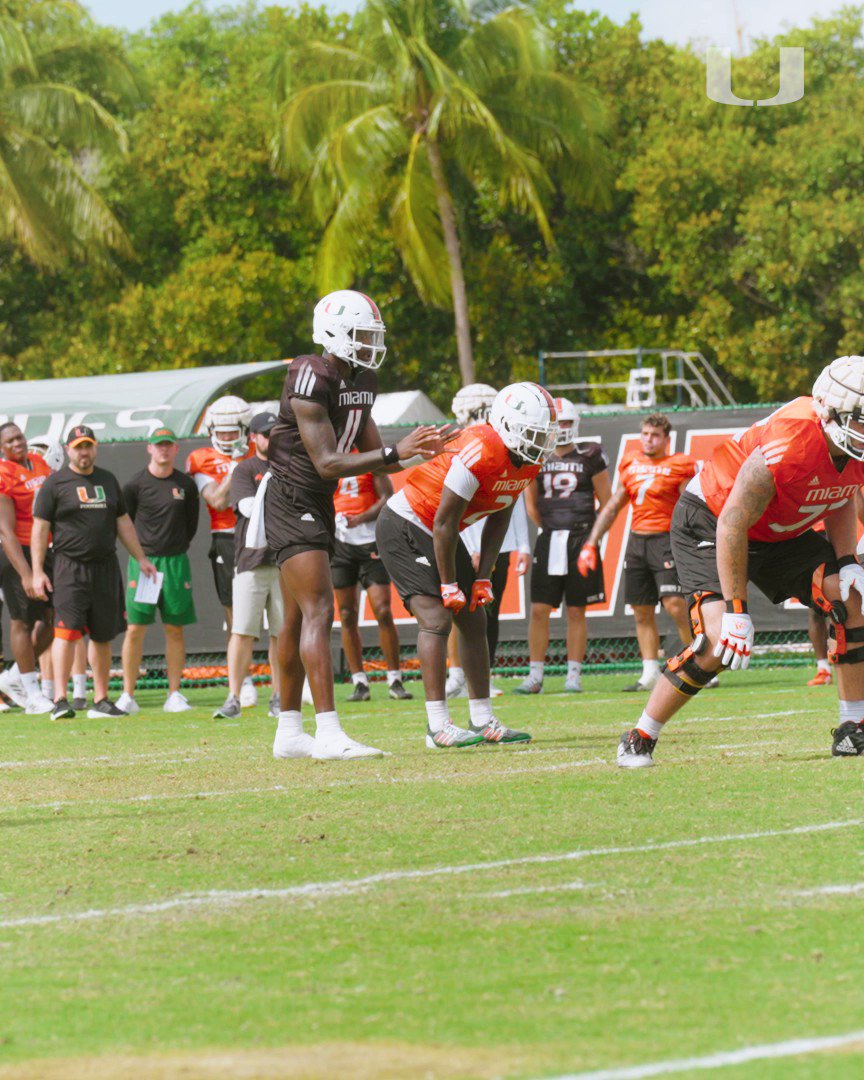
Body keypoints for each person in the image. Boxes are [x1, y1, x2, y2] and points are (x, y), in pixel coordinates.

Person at [618, 356, 864, 767]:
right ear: (832, 411)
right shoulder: (790, 441)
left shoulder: (848, 444)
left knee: (851, 598)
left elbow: (840, 493)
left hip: (777, 528)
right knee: (718, 642)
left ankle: (852, 729)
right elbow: (732, 522)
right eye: (861, 417)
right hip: (712, 519)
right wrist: (736, 610)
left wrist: (847, 559)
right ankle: (641, 734)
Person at [261, 289, 450, 761]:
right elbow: (327, 462)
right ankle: (327, 731)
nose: (368, 343)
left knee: (295, 618)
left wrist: (415, 454)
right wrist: (394, 453)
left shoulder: (364, 377)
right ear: (332, 332)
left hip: (317, 501)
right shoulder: (309, 372)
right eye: (360, 334)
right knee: (320, 608)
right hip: (291, 495)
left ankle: (288, 732)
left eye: (372, 335)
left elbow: (375, 457)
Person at [376, 382, 559, 749]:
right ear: (507, 424)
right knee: (437, 618)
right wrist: (448, 583)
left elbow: (500, 516)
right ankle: (437, 726)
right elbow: (444, 521)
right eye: (532, 432)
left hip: (439, 530)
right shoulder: (480, 448)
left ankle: (482, 719)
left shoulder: (525, 461)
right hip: (406, 523)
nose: (539, 441)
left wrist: (482, 576)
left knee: (476, 616)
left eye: (543, 434)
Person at [30, 425, 158, 721]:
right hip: (68, 566)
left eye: (88, 446)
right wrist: (37, 571)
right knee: (66, 632)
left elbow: (123, 522)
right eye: (78, 447)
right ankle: (61, 699)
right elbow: (40, 529)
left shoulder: (108, 480)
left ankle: (100, 698)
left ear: (95, 447)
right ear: (68, 450)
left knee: (102, 635)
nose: (83, 452)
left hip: (105, 567)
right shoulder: (55, 483)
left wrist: (141, 558)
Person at [578, 412, 697, 692]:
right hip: (637, 542)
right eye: (645, 434)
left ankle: (698, 661)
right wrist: (591, 541)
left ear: (666, 439)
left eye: (655, 435)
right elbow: (615, 504)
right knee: (641, 610)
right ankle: (650, 671)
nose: (648, 439)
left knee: (675, 605)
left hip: (666, 540)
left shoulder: (680, 464)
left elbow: (689, 506)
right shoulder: (630, 461)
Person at [518, 398, 612, 695]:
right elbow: (531, 504)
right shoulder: (535, 456)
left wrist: (592, 540)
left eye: (567, 422)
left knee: (576, 610)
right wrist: (548, 528)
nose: (562, 429)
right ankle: (535, 675)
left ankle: (573, 675)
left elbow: (607, 503)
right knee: (539, 610)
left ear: (576, 424)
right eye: (557, 423)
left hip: (580, 539)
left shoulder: (590, 454)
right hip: (550, 538)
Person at [445, 385, 531, 699]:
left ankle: (482, 675)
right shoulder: (465, 444)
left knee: (486, 613)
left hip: (499, 541)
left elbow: (514, 496)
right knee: (457, 609)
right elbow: (453, 506)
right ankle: (457, 674)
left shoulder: (510, 444)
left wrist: (523, 544)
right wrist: (470, 543)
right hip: (467, 540)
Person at [117, 427, 200, 715]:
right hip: (145, 565)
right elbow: (125, 525)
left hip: (176, 563)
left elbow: (191, 525)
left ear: (176, 449)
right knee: (135, 629)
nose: (163, 450)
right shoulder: (135, 485)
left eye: (168, 445)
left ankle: (174, 693)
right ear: (149, 449)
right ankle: (128, 695)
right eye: (158, 445)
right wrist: (141, 557)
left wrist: (174, 549)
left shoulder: (186, 485)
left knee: (175, 629)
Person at [186, 395, 258, 706]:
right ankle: (242, 679)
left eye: (233, 432)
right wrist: (237, 469)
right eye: (223, 431)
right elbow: (216, 500)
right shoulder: (201, 457)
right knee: (235, 615)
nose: (227, 438)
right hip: (227, 538)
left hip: (262, 535)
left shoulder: (262, 448)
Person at [214, 411, 283, 720]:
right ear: (253, 437)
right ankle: (234, 698)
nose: (273, 438)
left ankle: (280, 696)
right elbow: (247, 506)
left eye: (276, 432)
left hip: (284, 559)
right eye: (267, 433)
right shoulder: (245, 469)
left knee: (282, 634)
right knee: (242, 631)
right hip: (252, 559)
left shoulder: (292, 466)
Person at [332, 456, 412, 702]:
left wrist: (362, 517)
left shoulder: (366, 454)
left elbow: (387, 495)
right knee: (346, 614)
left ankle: (395, 678)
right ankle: (359, 681)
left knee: (383, 610)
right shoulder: (326, 453)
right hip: (340, 542)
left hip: (369, 541)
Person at [27, 437, 89, 708]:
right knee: (47, 623)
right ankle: (47, 688)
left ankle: (78, 689)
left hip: (64, 555)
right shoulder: (27, 480)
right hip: (38, 553)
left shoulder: (62, 482)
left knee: (70, 625)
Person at [0, 422, 55, 713]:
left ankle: (13, 677)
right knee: (20, 620)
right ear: (2, 448)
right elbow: (6, 531)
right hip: (17, 552)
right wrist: (25, 573)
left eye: (19, 437)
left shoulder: (39, 462)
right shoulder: (3, 474)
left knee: (55, 618)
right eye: (10, 441)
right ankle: (32, 693)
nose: (17, 443)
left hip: (45, 548)